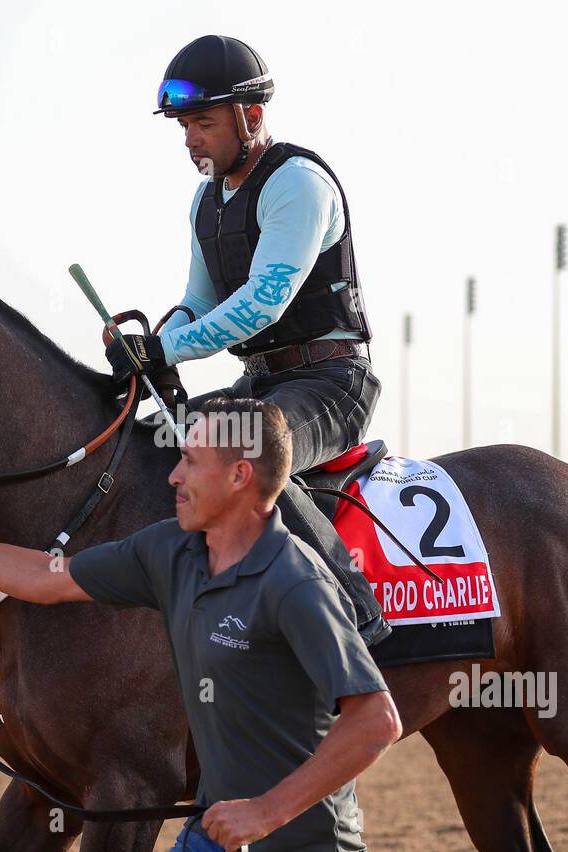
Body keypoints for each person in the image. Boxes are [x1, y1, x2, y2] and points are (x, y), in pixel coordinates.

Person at [0, 397, 401, 852]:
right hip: (211, 844)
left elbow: (376, 721)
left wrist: (266, 811)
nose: (173, 476)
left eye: (190, 463)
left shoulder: (296, 584)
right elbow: (44, 577)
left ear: (240, 476)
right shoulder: (170, 549)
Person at [102, 34, 392, 645]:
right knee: (153, 443)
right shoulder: (204, 201)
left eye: (202, 124)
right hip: (261, 384)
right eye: (183, 127)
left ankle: (358, 615)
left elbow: (262, 304)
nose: (190, 141)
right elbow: (200, 303)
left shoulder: (297, 183)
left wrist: (167, 350)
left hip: (333, 383)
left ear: (250, 116)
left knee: (247, 452)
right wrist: (149, 346)